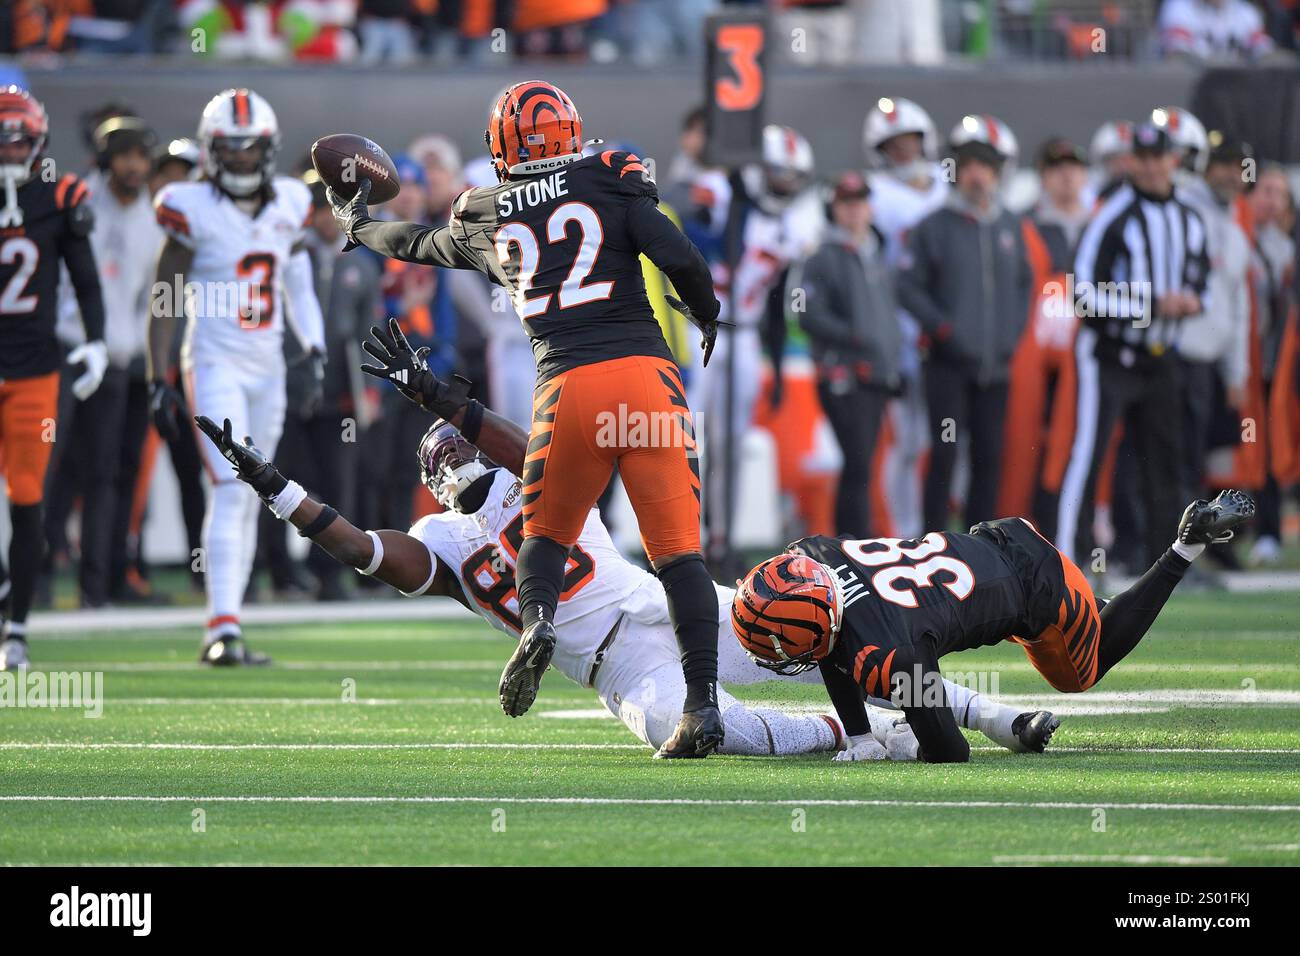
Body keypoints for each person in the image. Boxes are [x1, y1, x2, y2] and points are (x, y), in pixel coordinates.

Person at [193, 372, 1057, 759]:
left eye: (463, 445)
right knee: (688, 735)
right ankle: (874, 737)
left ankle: (991, 712)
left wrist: (445, 398)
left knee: (823, 626)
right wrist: (278, 488)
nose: (457, 457)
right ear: (427, 476)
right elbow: (367, 552)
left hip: (663, 602)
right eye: (442, 452)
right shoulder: (445, 542)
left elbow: (524, 440)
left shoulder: (532, 473)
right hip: (619, 662)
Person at [330, 81, 725, 758]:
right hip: (643, 379)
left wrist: (356, 223)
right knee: (679, 556)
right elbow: (679, 255)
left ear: (501, 147)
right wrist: (706, 311)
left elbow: (417, 244)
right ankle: (703, 704)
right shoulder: (610, 177)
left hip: (568, 387)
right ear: (572, 132)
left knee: (544, 539)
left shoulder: (482, 211)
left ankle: (536, 621)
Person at [732, 489, 1255, 762]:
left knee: (1082, 668)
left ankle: (1185, 546)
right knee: (1083, 620)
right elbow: (832, 639)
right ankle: (1101, 600)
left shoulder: (887, 654)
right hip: (990, 543)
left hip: (1033, 590)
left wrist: (901, 743)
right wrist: (862, 735)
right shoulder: (810, 552)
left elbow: (951, 752)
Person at [147, 88, 326, 665]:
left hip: (269, 368)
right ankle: (221, 627)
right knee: (229, 487)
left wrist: (315, 346)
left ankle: (230, 623)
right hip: (216, 361)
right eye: (234, 148)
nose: (245, 159)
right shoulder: (188, 205)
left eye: (253, 149)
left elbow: (296, 274)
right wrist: (159, 372)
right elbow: (165, 294)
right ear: (212, 150)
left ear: (268, 149)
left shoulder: (290, 203)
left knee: (255, 494)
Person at [1056, 122, 1210, 570]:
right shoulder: (1113, 213)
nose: (1147, 167)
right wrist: (1149, 304)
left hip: (1162, 359)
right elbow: (1081, 292)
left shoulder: (1188, 217)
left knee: (1163, 463)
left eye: (1155, 157)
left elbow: (1204, 285)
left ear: (1172, 160)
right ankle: (1067, 560)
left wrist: (1191, 303)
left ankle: (1166, 565)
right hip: (1111, 356)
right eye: (1139, 158)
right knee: (1088, 455)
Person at [0, 86, 108, 671]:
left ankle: (16, 630)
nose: (12, 151)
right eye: (2, 140)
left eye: (21, 140)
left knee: (27, 503)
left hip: (36, 372)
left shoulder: (59, 197)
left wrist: (94, 340)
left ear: (37, 143)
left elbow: (86, 279)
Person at [47, 115, 163, 608]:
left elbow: (151, 296)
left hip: (117, 360)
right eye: (125, 155)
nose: (135, 165)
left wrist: (138, 348)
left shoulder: (153, 219)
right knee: (49, 467)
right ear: (106, 160)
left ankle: (96, 585)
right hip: (66, 347)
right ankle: (38, 575)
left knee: (106, 472)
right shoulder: (76, 201)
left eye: (141, 156)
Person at [897, 114, 1032, 533]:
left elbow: (1024, 284)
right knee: (945, 453)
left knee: (990, 456)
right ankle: (933, 542)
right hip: (948, 365)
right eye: (969, 165)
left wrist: (1010, 336)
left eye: (985, 166)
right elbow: (907, 287)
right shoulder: (933, 226)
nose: (977, 175)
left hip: (996, 365)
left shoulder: (1009, 224)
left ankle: (981, 546)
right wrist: (943, 330)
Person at [790, 170, 900, 537]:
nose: (854, 211)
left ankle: (856, 543)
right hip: (845, 375)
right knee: (857, 463)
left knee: (865, 465)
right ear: (833, 208)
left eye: (860, 202)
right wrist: (855, 337)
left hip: (876, 374)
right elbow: (804, 311)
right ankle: (850, 545)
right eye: (846, 203)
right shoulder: (822, 255)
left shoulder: (876, 252)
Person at [862, 96, 947, 539]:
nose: (903, 151)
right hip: (899, 325)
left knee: (951, 441)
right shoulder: (873, 194)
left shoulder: (945, 184)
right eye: (892, 145)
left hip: (946, 324)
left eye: (909, 141)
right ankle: (905, 532)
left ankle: (945, 531)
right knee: (908, 442)